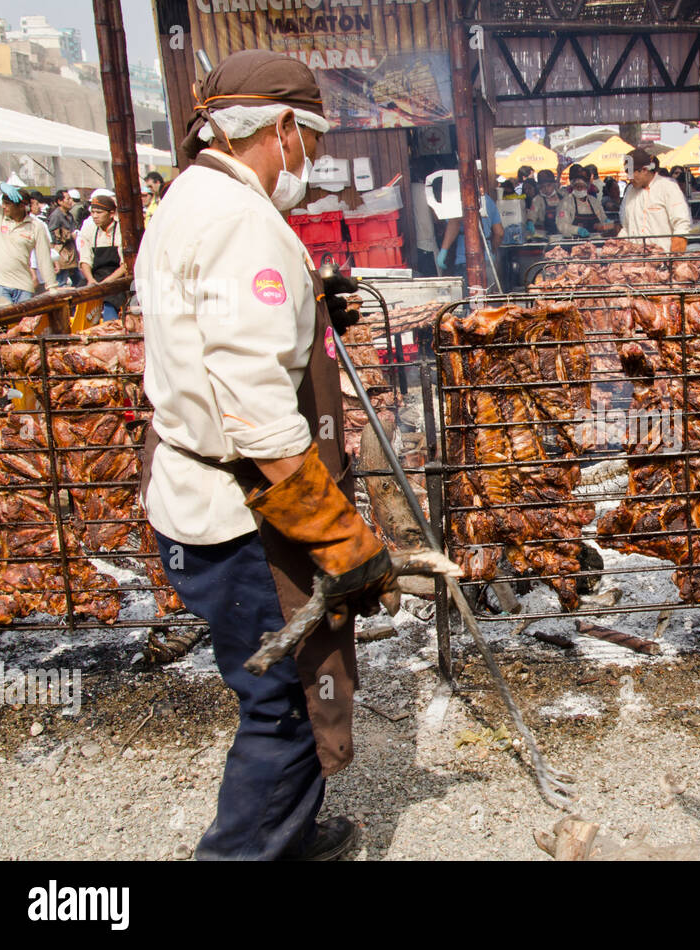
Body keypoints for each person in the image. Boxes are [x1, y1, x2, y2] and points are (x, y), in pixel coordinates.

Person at [138, 49, 450, 862]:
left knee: (278, 685)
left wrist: (310, 305)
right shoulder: (242, 220)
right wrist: (340, 539)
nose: (311, 164)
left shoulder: (188, 198)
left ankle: (291, 832)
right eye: (308, 142)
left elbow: (216, 332)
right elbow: (255, 411)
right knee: (280, 700)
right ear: (280, 129)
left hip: (190, 492)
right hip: (242, 510)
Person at [0, 181, 56, 306]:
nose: (3, 207)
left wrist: (52, 286)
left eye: (8, 204)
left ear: (21, 206)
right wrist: (0, 185)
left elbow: (44, 258)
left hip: (23, 285)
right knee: (4, 323)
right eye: (3, 203)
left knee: (24, 324)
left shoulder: (36, 226)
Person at [618, 147, 690, 253]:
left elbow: (681, 223)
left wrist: (676, 252)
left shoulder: (667, 187)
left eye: (632, 174)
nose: (629, 178)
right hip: (636, 261)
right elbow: (627, 227)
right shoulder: (630, 192)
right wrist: (618, 244)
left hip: (663, 257)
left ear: (644, 170)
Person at [77, 194, 128, 321]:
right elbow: (85, 259)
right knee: (78, 297)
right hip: (96, 276)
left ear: (111, 213)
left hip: (117, 278)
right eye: (93, 212)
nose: (95, 216)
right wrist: (90, 279)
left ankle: (112, 327)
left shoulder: (121, 230)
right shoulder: (89, 229)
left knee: (110, 302)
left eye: (99, 212)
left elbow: (125, 265)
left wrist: (106, 283)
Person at [437, 188, 503, 278]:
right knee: (487, 291)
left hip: (465, 261)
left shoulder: (459, 199)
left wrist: (443, 251)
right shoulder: (487, 199)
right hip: (488, 261)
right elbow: (499, 232)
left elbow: (454, 223)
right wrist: (492, 251)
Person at [556, 173, 613, 238]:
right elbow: (562, 225)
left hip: (595, 241)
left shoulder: (594, 201)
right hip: (574, 241)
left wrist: (607, 224)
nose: (579, 188)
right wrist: (577, 230)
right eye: (577, 186)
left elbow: (603, 218)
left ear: (587, 187)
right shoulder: (566, 202)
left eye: (582, 186)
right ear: (572, 187)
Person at [48, 189, 82, 287]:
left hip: (71, 252)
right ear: (60, 201)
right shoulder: (56, 216)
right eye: (68, 199)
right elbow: (52, 234)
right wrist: (68, 235)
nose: (71, 201)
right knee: (61, 281)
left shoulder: (69, 215)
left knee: (79, 281)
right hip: (62, 253)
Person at [526, 168, 563, 239]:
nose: (546, 189)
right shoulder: (537, 200)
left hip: (563, 235)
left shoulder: (563, 195)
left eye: (549, 185)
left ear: (554, 184)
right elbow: (532, 214)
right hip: (545, 237)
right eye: (543, 186)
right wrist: (530, 222)